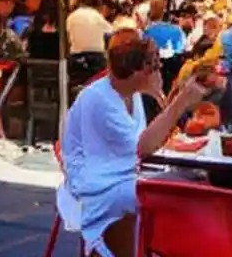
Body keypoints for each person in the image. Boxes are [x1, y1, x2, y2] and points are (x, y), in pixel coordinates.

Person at [58, 30, 213, 257]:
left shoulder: (130, 93)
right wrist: (179, 102)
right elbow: (142, 147)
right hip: (97, 185)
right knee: (185, 193)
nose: (159, 71)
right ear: (140, 71)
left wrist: (160, 96)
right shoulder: (100, 99)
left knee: (195, 181)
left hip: (120, 176)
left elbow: (145, 138)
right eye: (155, 67)